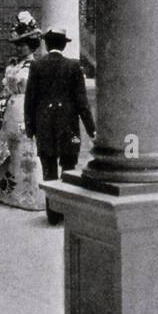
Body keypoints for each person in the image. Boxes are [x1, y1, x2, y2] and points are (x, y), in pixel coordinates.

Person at [24, 27, 96, 224]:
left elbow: (30, 100)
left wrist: (30, 128)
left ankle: (53, 215)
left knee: (48, 169)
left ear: (46, 45)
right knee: (69, 166)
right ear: (64, 45)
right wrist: (92, 129)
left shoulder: (37, 66)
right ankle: (66, 211)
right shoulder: (74, 67)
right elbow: (82, 102)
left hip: (44, 125)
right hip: (69, 127)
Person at [0, 14, 45, 211]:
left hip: (26, 107)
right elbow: (6, 88)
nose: (19, 48)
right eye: (17, 44)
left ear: (32, 45)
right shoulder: (13, 64)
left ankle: (27, 193)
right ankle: (5, 190)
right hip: (11, 107)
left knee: (24, 146)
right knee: (8, 145)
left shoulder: (35, 66)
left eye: (23, 44)